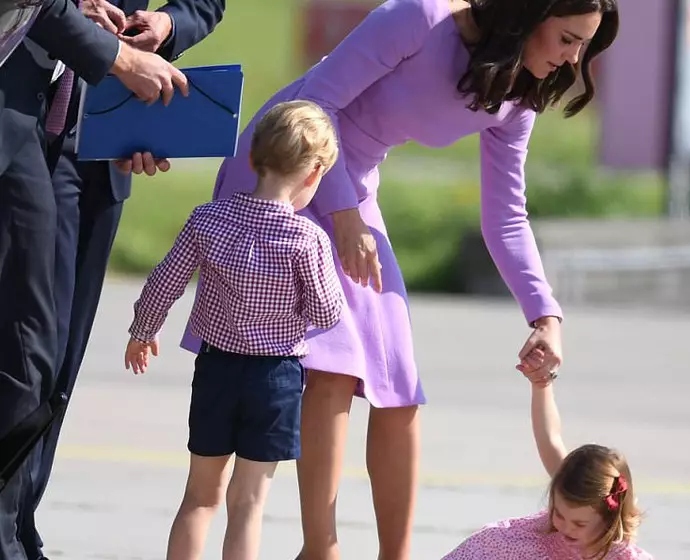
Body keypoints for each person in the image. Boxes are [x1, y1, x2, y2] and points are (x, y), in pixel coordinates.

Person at [180, 0, 620, 558]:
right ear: (528, 14)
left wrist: (545, 314)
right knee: (335, 367)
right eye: (567, 39)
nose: (573, 59)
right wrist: (341, 214)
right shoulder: (420, 17)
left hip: (350, 186)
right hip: (285, 173)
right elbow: (314, 102)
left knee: (396, 383)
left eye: (584, 45)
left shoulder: (514, 98)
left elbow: (504, 215)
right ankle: (321, 549)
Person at [18, 0, 225, 557]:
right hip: (21, 122)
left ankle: (19, 519)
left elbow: (205, 4)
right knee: (25, 352)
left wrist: (167, 24)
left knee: (58, 361)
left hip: (102, 142)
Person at [125, 100, 344, 560]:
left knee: (199, 497)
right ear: (314, 174)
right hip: (275, 379)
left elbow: (165, 280)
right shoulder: (308, 240)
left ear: (253, 158)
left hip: (216, 370)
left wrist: (143, 330)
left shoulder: (209, 218)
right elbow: (327, 314)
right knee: (247, 504)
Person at [441, 347, 653, 560]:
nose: (567, 528)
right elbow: (548, 437)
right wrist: (541, 384)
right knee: (489, 543)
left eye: (580, 523)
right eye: (558, 514)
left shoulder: (625, 555)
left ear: (610, 517)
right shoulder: (567, 484)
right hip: (528, 552)